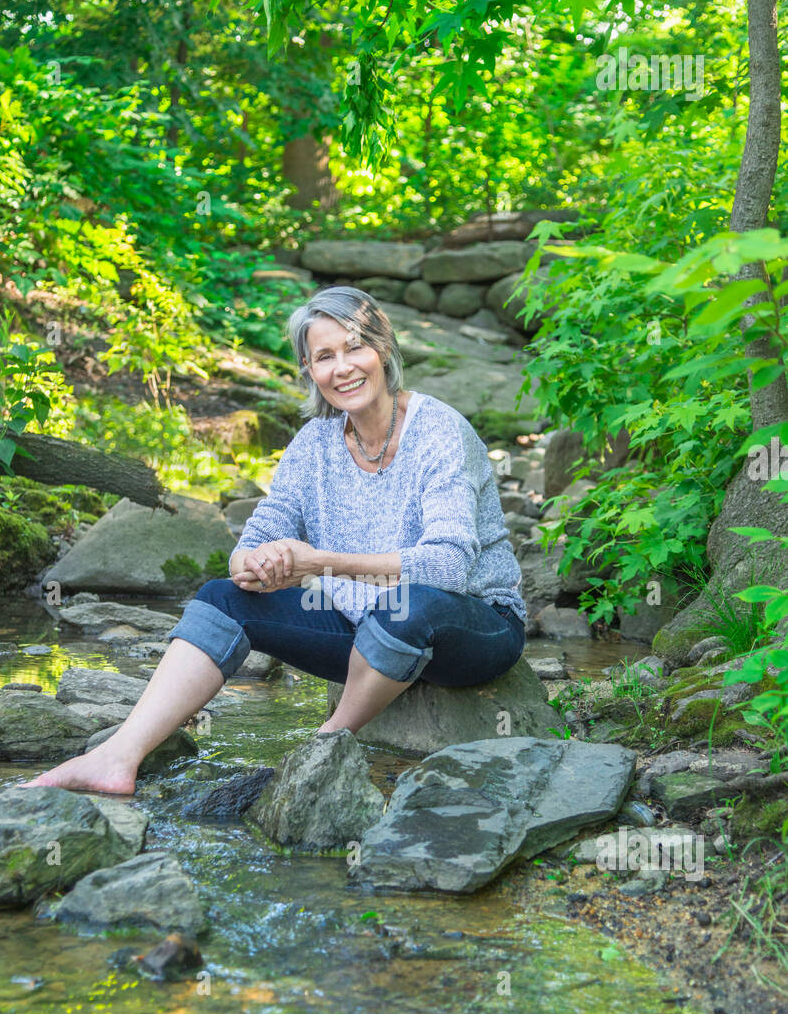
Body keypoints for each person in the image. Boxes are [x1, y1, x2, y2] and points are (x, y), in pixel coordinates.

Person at [27, 286, 526, 795]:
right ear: (309, 371)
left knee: (407, 605)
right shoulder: (314, 444)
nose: (343, 367)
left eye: (355, 347)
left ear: (383, 348)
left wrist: (319, 564)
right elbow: (261, 531)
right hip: (363, 627)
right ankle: (118, 756)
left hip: (473, 624)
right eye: (324, 357)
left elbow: (449, 569)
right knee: (222, 597)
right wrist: (253, 562)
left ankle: (322, 746)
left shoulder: (439, 430)